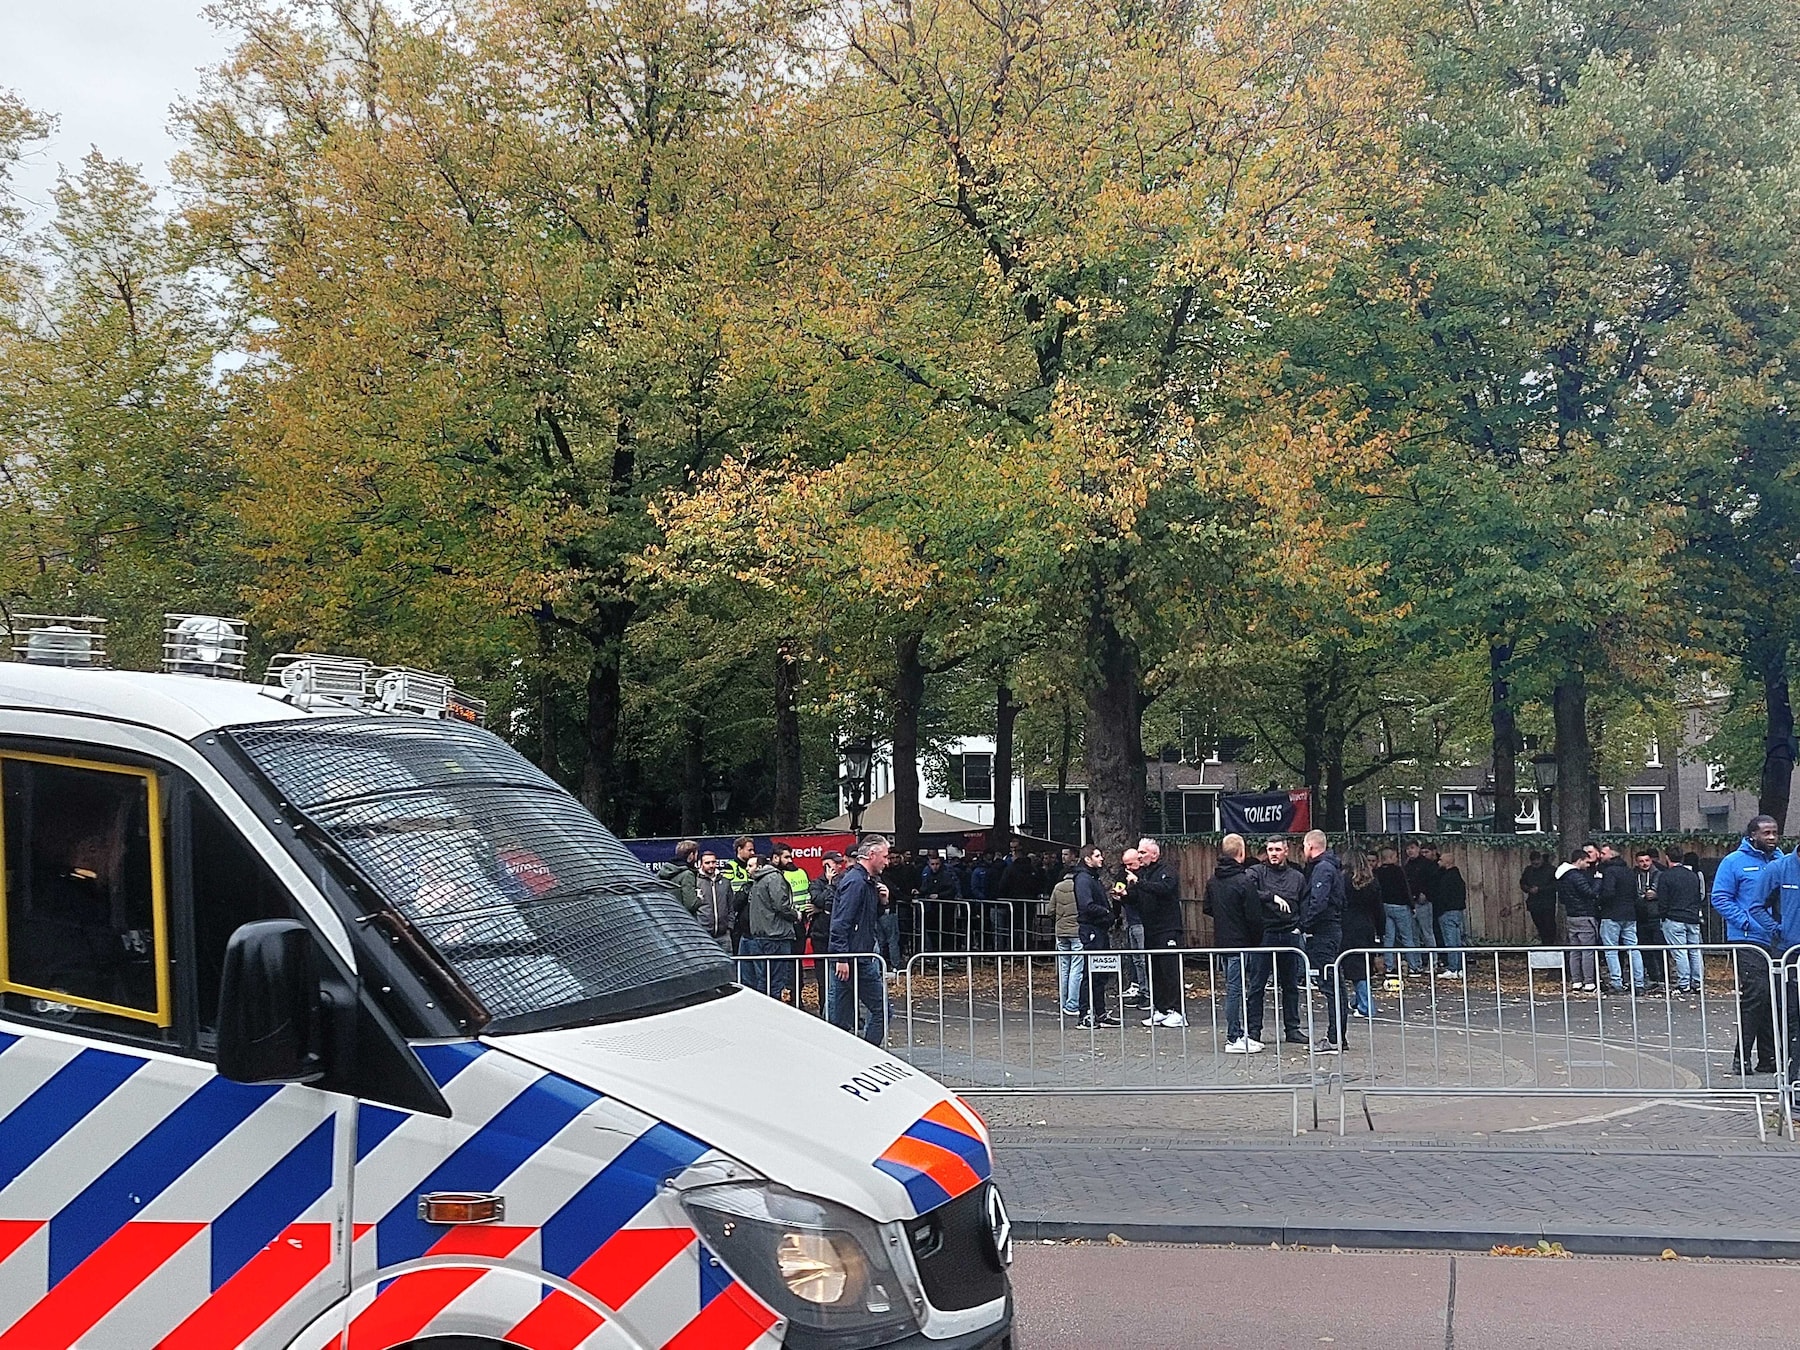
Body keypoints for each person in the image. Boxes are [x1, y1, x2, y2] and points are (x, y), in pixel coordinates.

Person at [1710, 815, 1782, 1074]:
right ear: (1752, 835)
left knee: (1774, 998)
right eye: (1766, 833)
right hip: (1748, 939)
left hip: (1778, 939)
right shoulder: (1734, 862)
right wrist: (1746, 922)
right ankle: (1741, 1057)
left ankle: (1768, 1058)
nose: (1771, 837)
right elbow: (1720, 897)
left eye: (1774, 832)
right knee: (1756, 995)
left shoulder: (1782, 861)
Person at [1247, 836, 1308, 1047]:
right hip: (1264, 934)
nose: (1273, 853)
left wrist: (1300, 926)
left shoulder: (1297, 876)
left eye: (1277, 849)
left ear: (1286, 851)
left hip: (1289, 934)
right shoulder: (1256, 872)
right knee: (1257, 985)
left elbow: (1305, 902)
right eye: (1270, 849)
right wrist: (1270, 896)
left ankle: (1292, 1029)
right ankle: (1254, 1030)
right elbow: (1246, 890)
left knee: (1290, 985)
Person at [829, 836, 891, 1044]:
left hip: (855, 955)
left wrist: (882, 902)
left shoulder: (865, 882)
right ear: (871, 855)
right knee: (881, 1010)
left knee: (840, 1016)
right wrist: (842, 957)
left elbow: (864, 918)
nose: (887, 862)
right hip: (856, 957)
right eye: (884, 856)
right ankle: (868, 1053)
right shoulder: (857, 882)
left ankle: (840, 1052)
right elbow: (842, 921)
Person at [1208, 833, 1262, 1052]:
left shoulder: (1213, 881)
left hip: (1222, 939)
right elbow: (1254, 916)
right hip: (1241, 941)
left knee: (1233, 987)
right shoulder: (1244, 881)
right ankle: (1234, 1036)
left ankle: (1238, 1032)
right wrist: (1255, 939)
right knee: (1235, 989)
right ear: (1241, 853)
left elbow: (1207, 907)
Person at [1129, 838, 1186, 1028]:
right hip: (1151, 929)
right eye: (1138, 852)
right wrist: (1125, 896)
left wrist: (1139, 883)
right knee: (1155, 971)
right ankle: (1161, 1009)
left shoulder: (1167, 871)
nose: (1139, 856)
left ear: (1154, 854)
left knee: (1170, 970)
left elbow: (1165, 889)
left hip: (1167, 929)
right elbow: (1138, 897)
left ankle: (1177, 1011)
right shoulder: (1144, 874)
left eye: (1143, 852)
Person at [1299, 830, 1348, 1051]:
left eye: (1304, 846)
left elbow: (1318, 902)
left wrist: (1304, 925)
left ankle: (1335, 1037)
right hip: (1330, 930)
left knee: (1330, 985)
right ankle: (1337, 1036)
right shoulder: (1331, 868)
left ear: (1310, 846)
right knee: (1334, 985)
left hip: (1323, 933)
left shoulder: (1322, 869)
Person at [740, 853, 800, 1003]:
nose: (747, 869)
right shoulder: (773, 878)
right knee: (775, 982)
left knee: (763, 979)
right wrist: (796, 915)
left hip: (761, 934)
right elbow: (781, 906)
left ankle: (763, 1010)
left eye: (750, 865)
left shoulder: (757, 881)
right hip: (776, 935)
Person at [1073, 843, 1120, 1027]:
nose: (1102, 858)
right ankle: (1085, 1014)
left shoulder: (1093, 878)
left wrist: (1112, 908)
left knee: (1100, 973)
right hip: (1092, 930)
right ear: (1087, 859)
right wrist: (1106, 912)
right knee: (1090, 973)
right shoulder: (1084, 879)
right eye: (1097, 856)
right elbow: (1086, 905)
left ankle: (1099, 1012)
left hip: (1099, 929)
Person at [1596, 843, 1643, 994]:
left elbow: (1608, 892)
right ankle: (1639, 982)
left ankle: (1616, 982)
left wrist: (1599, 901)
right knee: (1633, 948)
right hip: (1629, 914)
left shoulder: (1609, 871)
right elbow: (1635, 894)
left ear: (1611, 854)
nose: (1601, 856)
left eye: (1603, 853)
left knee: (1611, 950)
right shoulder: (1629, 871)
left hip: (1612, 914)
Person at [1657, 851, 1706, 996]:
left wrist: (1663, 915)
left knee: (1680, 952)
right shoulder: (1692, 875)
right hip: (1692, 917)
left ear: (1667, 858)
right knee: (1695, 951)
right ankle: (1698, 982)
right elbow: (1698, 896)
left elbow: (1663, 899)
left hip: (1674, 917)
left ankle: (1684, 984)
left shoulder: (1666, 876)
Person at [1344, 850, 1384, 1018]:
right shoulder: (1372, 882)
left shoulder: (1343, 880)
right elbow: (1379, 909)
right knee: (1364, 966)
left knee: (1354, 969)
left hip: (1347, 926)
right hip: (1367, 926)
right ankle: (1358, 1001)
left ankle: (1365, 1006)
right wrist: (1380, 931)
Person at [1557, 847, 1601, 991]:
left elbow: (1562, 899)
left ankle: (1576, 981)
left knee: (1575, 950)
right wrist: (1598, 880)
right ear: (1579, 860)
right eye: (1586, 862)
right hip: (1584, 916)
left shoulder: (1562, 876)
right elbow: (1590, 893)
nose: (1588, 865)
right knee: (1587, 950)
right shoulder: (1576, 876)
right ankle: (1589, 982)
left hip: (1572, 916)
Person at [1376, 846, 1421, 976]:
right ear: (1390, 857)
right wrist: (1412, 905)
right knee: (1407, 938)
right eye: (1395, 856)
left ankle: (1389, 967)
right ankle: (1413, 967)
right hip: (1400, 906)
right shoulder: (1398, 871)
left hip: (1385, 906)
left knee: (1389, 938)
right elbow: (1405, 888)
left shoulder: (1378, 872)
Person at [1632, 846, 1668, 993]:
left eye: (1647, 860)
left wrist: (1655, 895)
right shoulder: (1633, 875)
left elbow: (1661, 892)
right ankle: (1652, 975)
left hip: (1655, 915)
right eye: (1641, 861)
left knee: (1659, 948)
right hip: (1640, 916)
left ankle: (1663, 976)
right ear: (1637, 862)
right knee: (1644, 948)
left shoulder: (1659, 874)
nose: (1644, 863)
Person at [1118, 847, 1149, 1008]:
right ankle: (1141, 990)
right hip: (1132, 920)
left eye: (1130, 864)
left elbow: (1140, 898)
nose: (1128, 868)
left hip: (1141, 921)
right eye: (1125, 865)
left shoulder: (1142, 877)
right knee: (1137, 960)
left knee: (1143, 959)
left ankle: (1147, 992)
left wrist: (1127, 894)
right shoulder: (1128, 876)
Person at [1051, 866, 1083, 1016]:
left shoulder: (1058, 887)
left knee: (1064, 968)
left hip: (1061, 931)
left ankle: (1063, 1002)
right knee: (1076, 968)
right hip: (1077, 931)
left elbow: (1050, 910)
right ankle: (1073, 1004)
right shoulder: (1079, 886)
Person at [1430, 852, 1468, 979]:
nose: (1438, 862)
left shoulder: (1447, 878)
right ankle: (1460, 968)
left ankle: (1453, 968)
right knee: (1458, 941)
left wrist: (1440, 910)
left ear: (1447, 862)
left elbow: (1442, 895)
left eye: (1441, 860)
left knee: (1450, 941)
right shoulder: (1457, 876)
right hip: (1457, 911)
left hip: (1447, 912)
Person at [1404, 841, 1439, 969]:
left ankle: (1433, 962)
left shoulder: (1427, 864)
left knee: (1427, 933)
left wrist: (1426, 894)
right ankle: (1417, 963)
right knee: (1414, 934)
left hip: (1423, 902)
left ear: (1418, 848)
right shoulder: (1407, 865)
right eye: (1408, 848)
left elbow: (1433, 882)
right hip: (1410, 903)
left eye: (1412, 848)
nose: (1410, 851)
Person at [693, 849, 736, 951]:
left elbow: (731, 906)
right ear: (701, 864)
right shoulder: (695, 882)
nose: (711, 865)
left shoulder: (725, 882)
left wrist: (729, 926)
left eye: (713, 862)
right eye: (707, 863)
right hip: (703, 934)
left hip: (723, 935)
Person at [1520, 850, 1560, 947]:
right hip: (1534, 903)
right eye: (1533, 864)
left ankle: (1550, 944)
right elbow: (1522, 883)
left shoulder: (1551, 870)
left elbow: (1556, 885)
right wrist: (1528, 889)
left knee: (1549, 924)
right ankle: (1544, 942)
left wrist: (1540, 889)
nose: (1535, 865)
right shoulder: (1528, 870)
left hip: (1547, 902)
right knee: (1539, 925)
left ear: (1541, 859)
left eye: (1537, 863)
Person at [654, 839, 701, 916]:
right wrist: (699, 898)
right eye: (696, 855)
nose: (697, 858)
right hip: (683, 918)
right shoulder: (687, 874)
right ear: (691, 855)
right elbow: (690, 905)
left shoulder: (661, 872)